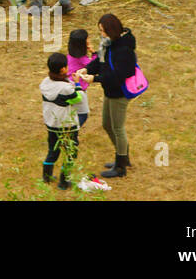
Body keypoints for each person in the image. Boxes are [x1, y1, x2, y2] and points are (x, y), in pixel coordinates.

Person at [74, 13, 137, 178]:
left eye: (103, 31)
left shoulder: (124, 50)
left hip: (119, 93)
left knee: (117, 127)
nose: (101, 34)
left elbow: (119, 75)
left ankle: (121, 166)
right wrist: (87, 69)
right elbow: (100, 62)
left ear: (112, 30)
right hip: (110, 90)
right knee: (106, 124)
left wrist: (95, 78)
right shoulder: (109, 43)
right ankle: (123, 156)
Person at [40, 52, 83, 189]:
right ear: (63, 69)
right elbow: (78, 98)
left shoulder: (45, 83)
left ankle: (46, 176)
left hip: (51, 123)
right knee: (71, 152)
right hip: (66, 126)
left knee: (53, 150)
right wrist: (77, 83)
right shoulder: (65, 88)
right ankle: (64, 182)